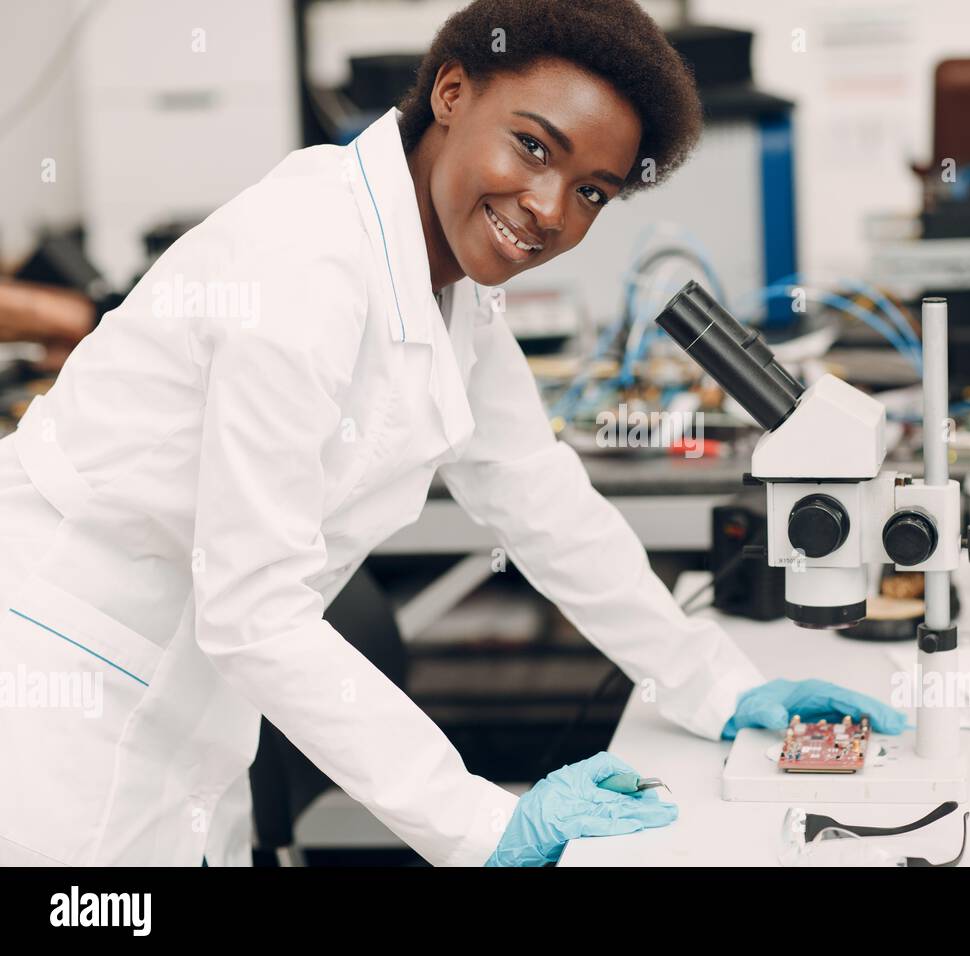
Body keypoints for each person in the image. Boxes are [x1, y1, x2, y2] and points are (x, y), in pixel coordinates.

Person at [0, 0, 904, 868]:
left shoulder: (448, 282)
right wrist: (480, 825)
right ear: (452, 92)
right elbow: (255, 610)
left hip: (184, 720)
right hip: (56, 728)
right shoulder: (300, 267)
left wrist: (716, 682)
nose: (550, 209)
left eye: (591, 190)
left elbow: (534, 491)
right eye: (532, 146)